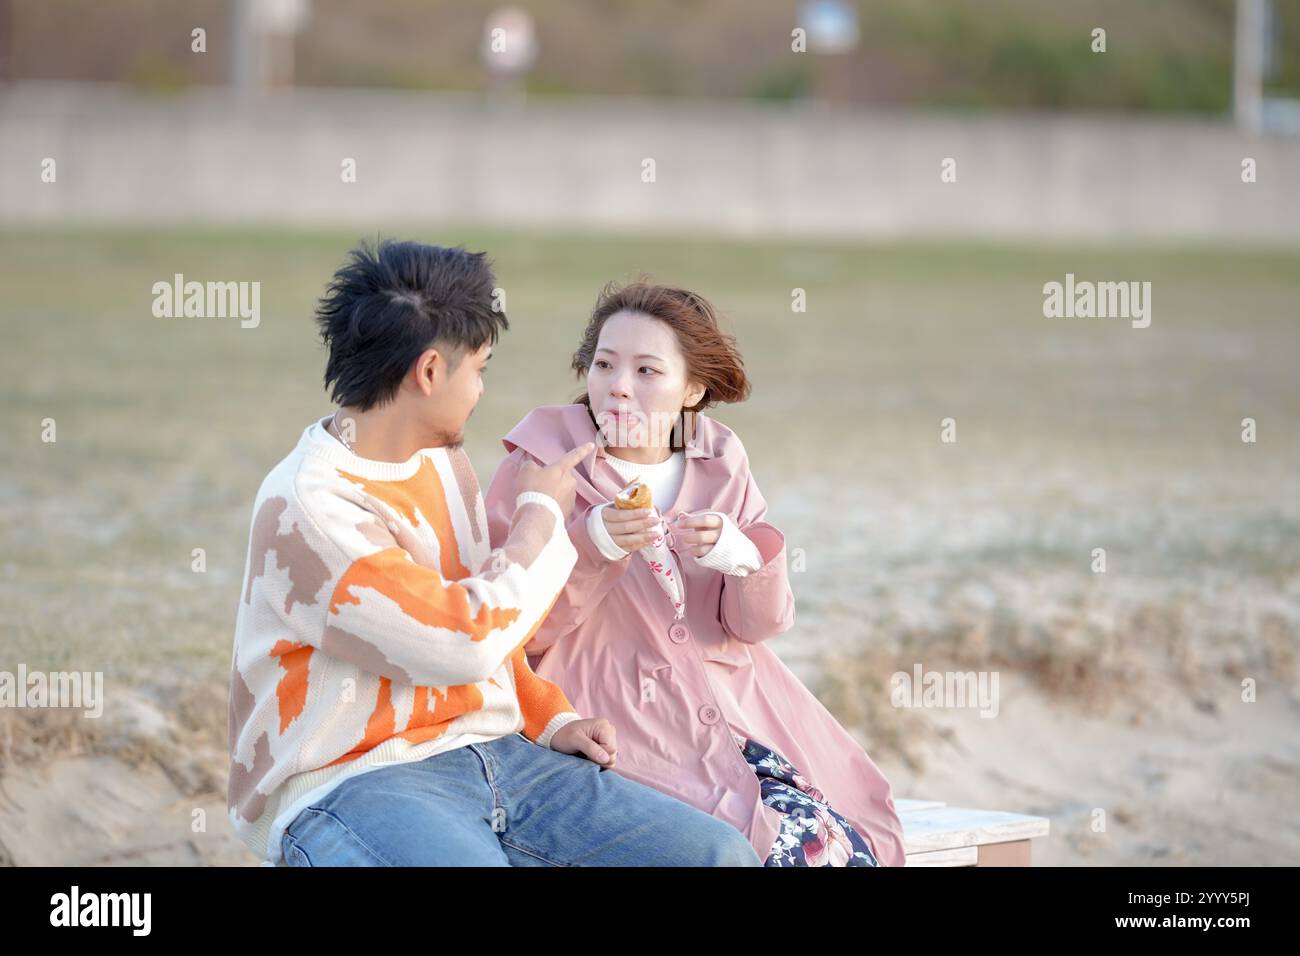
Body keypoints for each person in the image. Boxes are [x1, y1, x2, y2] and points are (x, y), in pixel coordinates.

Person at [227, 240, 762, 867]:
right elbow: (463, 639)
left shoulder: (441, 463)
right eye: (478, 369)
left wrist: (547, 716)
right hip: (354, 779)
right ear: (430, 372)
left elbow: (490, 617)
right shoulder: (311, 507)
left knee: (716, 855)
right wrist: (540, 517)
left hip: (502, 757)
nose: (481, 391)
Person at [484, 280, 907, 866]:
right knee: (756, 846)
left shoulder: (721, 456)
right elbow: (509, 627)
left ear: (694, 388)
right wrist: (590, 545)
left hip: (731, 708)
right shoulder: (542, 461)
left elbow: (755, 626)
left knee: (832, 839)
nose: (619, 387)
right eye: (603, 364)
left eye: (647, 370)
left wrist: (744, 557)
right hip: (607, 714)